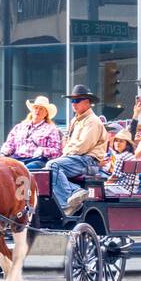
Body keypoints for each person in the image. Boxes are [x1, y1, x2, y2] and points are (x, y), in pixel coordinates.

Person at [49, 84, 109, 216]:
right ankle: (74, 192)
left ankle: (70, 196)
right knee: (46, 171)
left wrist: (64, 154)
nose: (73, 104)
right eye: (72, 101)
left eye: (77, 100)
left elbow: (82, 147)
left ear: (87, 102)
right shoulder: (75, 121)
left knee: (53, 165)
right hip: (78, 160)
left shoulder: (93, 121)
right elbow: (69, 144)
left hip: (88, 161)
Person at [0, 95, 64, 170]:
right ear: (32, 110)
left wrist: (42, 151)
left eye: (41, 109)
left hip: (37, 161)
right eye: (36, 108)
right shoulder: (19, 127)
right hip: (16, 160)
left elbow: (57, 152)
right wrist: (5, 150)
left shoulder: (51, 129)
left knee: (22, 171)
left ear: (46, 113)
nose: (38, 110)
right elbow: (9, 144)